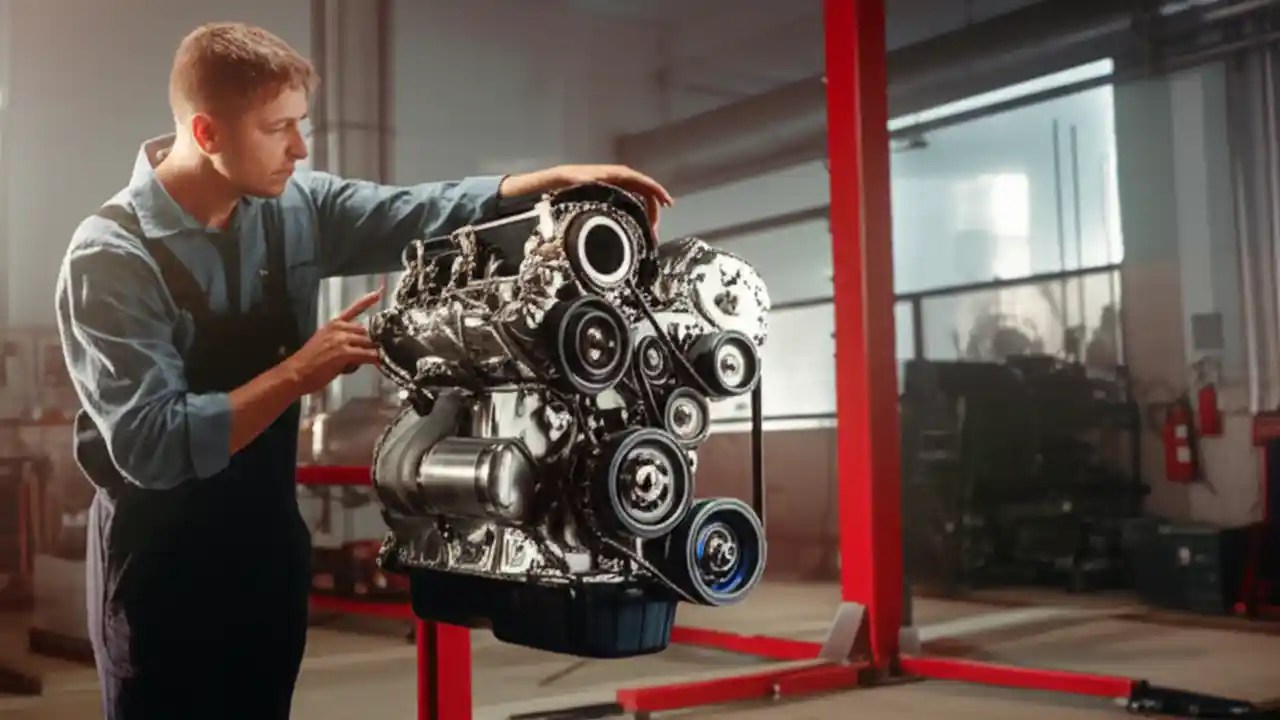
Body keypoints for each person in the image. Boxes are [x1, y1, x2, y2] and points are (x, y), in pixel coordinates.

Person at [54, 21, 673, 720]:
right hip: (162, 559)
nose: (300, 147)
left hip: (263, 542)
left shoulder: (294, 207)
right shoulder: (111, 256)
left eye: (301, 124)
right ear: (207, 134)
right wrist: (298, 373)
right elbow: (154, 444)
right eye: (277, 127)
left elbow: (418, 211)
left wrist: (548, 186)